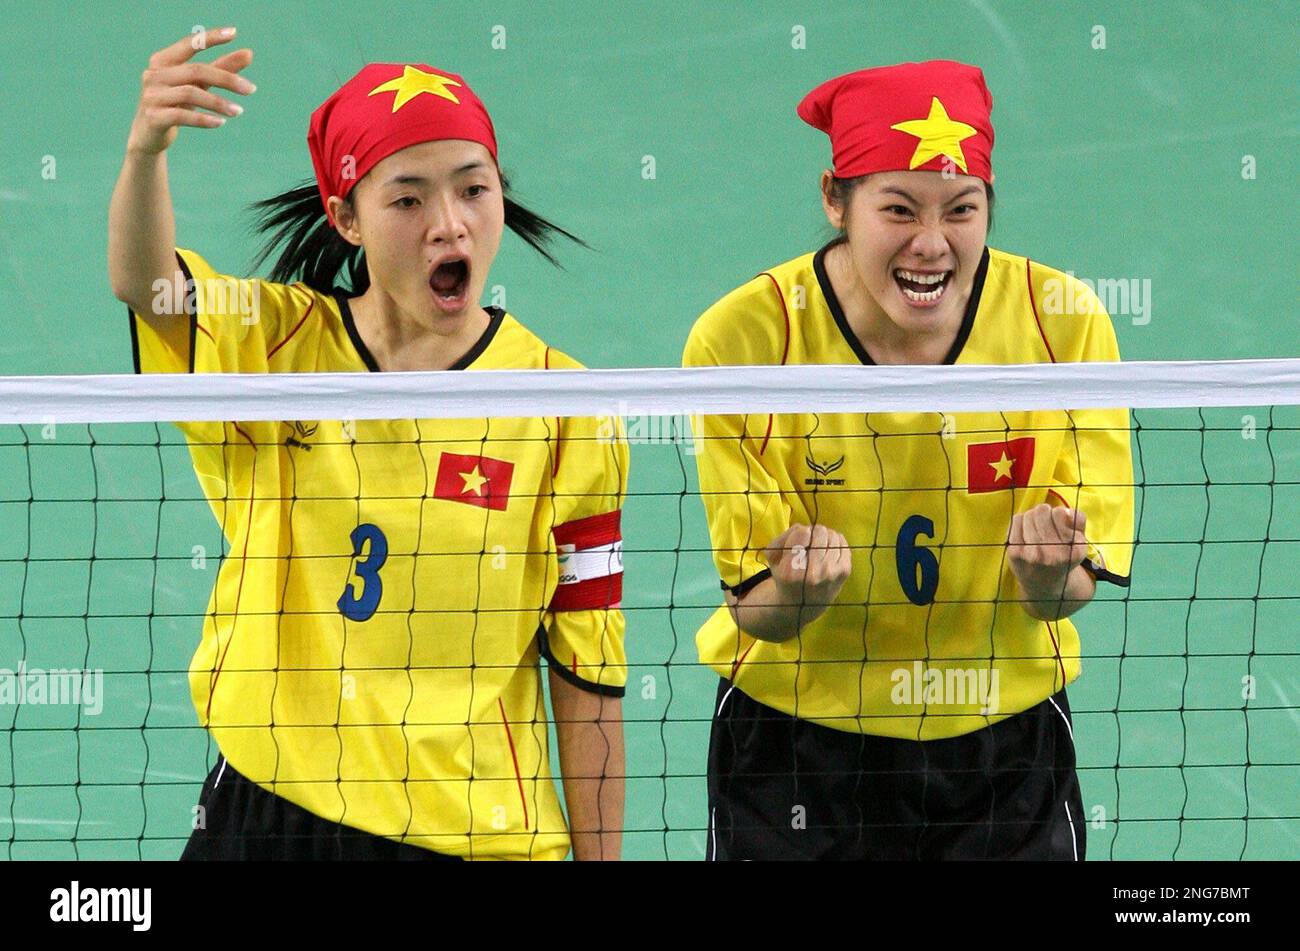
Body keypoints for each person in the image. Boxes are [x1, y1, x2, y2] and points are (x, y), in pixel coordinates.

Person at [108, 27, 627, 861]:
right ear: (345, 216)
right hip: (270, 811)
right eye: (408, 198)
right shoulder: (277, 346)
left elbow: (588, 673)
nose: (449, 224)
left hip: (469, 835)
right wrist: (146, 150)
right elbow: (149, 284)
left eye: (473, 189)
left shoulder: (562, 404)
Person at [683, 59, 1134, 860]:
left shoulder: (1062, 325)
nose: (933, 244)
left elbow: (1071, 588)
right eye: (898, 208)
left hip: (1002, 746)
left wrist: (1046, 578)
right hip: (797, 748)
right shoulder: (744, 341)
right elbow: (753, 606)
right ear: (835, 199)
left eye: (962, 209)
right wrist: (794, 592)